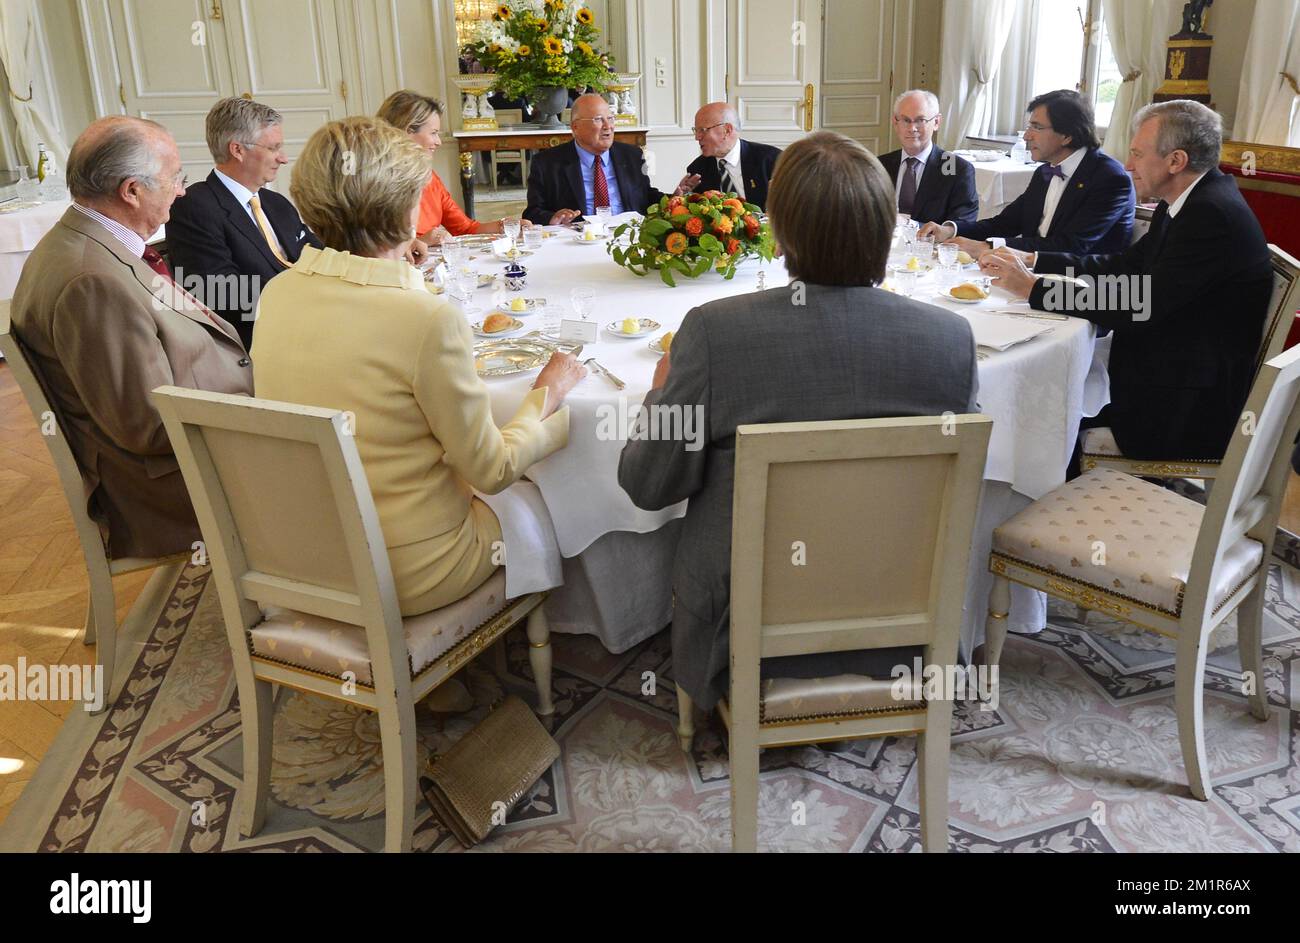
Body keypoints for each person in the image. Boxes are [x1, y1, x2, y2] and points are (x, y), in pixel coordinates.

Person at [617, 131, 979, 710]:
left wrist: (660, 397)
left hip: (741, 624)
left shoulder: (716, 333)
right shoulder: (951, 341)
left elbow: (648, 485)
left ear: (777, 232)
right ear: (886, 229)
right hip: (903, 614)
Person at [252, 116, 586, 617]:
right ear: (410, 209)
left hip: (306, 553)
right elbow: (492, 469)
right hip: (413, 570)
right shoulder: (425, 318)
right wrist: (550, 403)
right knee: (548, 497)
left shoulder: (278, 292)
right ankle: (584, 623)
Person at [10, 116, 253, 558]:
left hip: (189, 450)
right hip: (169, 488)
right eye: (174, 177)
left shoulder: (91, 242)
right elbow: (151, 426)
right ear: (132, 190)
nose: (181, 190)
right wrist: (259, 421)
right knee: (353, 463)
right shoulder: (91, 280)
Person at [980, 99, 1272, 463]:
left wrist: (1035, 289)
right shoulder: (1189, 199)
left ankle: (1056, 506)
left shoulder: (1210, 215)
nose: (1128, 165)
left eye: (1137, 153)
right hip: (1166, 363)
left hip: (1182, 405)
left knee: (1037, 408)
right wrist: (1034, 260)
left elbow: (1140, 302)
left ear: (1176, 161)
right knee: (1044, 383)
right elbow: (1124, 264)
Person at [165, 97, 322, 349]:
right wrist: (309, 302)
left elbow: (318, 254)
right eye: (273, 148)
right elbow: (222, 293)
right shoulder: (193, 206)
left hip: (310, 325)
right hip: (261, 342)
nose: (283, 158)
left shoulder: (276, 202)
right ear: (237, 150)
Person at [919, 89, 1134, 259]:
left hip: (1081, 287)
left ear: (1067, 135)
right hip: (1034, 272)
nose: (1026, 136)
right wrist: (950, 229)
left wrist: (987, 247)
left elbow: (1071, 246)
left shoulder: (1109, 179)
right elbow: (1004, 223)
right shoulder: (1045, 171)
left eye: (1037, 127)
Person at [377, 89, 524, 245]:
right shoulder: (374, 183)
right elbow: (369, 250)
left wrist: (507, 226)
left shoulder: (430, 178)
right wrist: (418, 242)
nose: (439, 142)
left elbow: (466, 228)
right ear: (407, 132)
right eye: (433, 133)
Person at [524, 93, 695, 225]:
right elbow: (533, 212)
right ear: (575, 127)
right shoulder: (547, 163)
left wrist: (672, 198)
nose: (608, 126)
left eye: (610, 118)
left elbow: (645, 196)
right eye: (598, 119)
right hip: (579, 240)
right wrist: (553, 217)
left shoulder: (632, 155)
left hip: (627, 236)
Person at [877, 90, 978, 227]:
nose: (912, 128)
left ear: (936, 122)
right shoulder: (879, 165)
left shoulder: (956, 168)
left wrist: (909, 224)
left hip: (930, 247)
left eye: (920, 120)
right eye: (906, 120)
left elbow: (962, 225)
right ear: (895, 123)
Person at [680, 102, 782, 211]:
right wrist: (683, 199)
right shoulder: (697, 170)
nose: (697, 137)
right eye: (696, 130)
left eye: (703, 130)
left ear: (727, 130)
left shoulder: (772, 160)